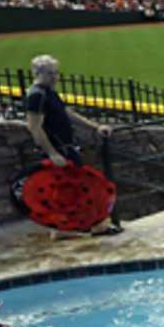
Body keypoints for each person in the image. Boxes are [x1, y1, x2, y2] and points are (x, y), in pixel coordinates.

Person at [23, 55, 120, 237]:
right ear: (37, 73)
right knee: (80, 188)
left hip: (65, 149)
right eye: (50, 73)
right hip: (59, 152)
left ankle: (62, 230)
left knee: (68, 191)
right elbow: (34, 128)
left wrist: (95, 126)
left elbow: (67, 113)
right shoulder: (36, 95)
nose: (55, 77)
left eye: (56, 73)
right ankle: (94, 226)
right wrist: (52, 154)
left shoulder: (48, 92)